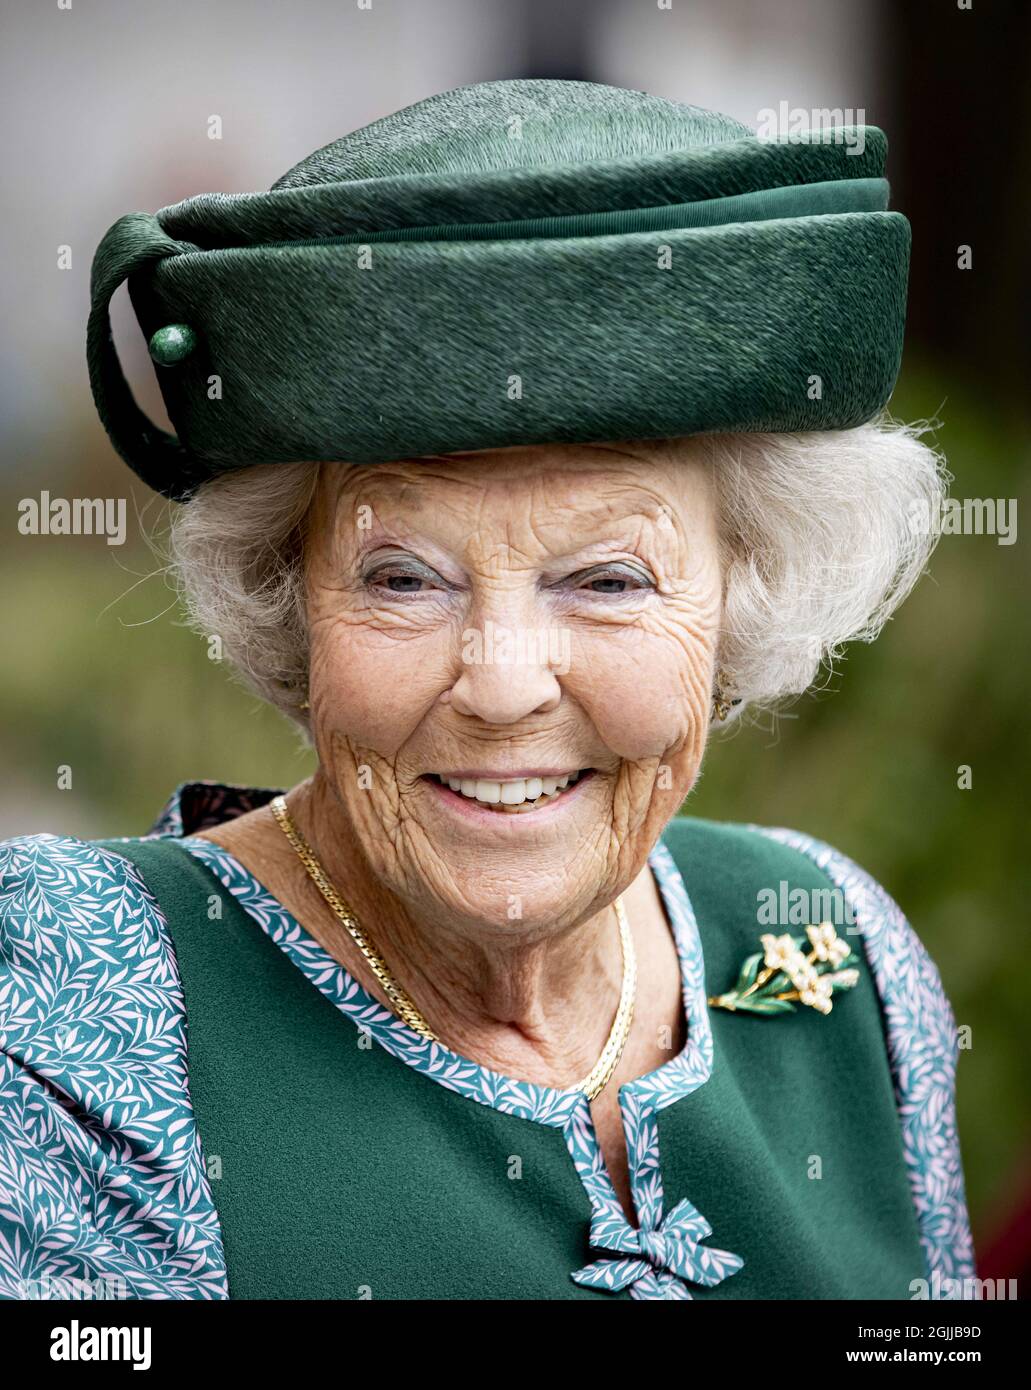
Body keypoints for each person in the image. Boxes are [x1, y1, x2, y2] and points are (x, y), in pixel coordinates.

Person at [0, 78, 974, 1300]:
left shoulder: (831, 947)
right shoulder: (69, 987)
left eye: (608, 579)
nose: (502, 687)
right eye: (403, 578)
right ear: (289, 595)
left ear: (746, 595)